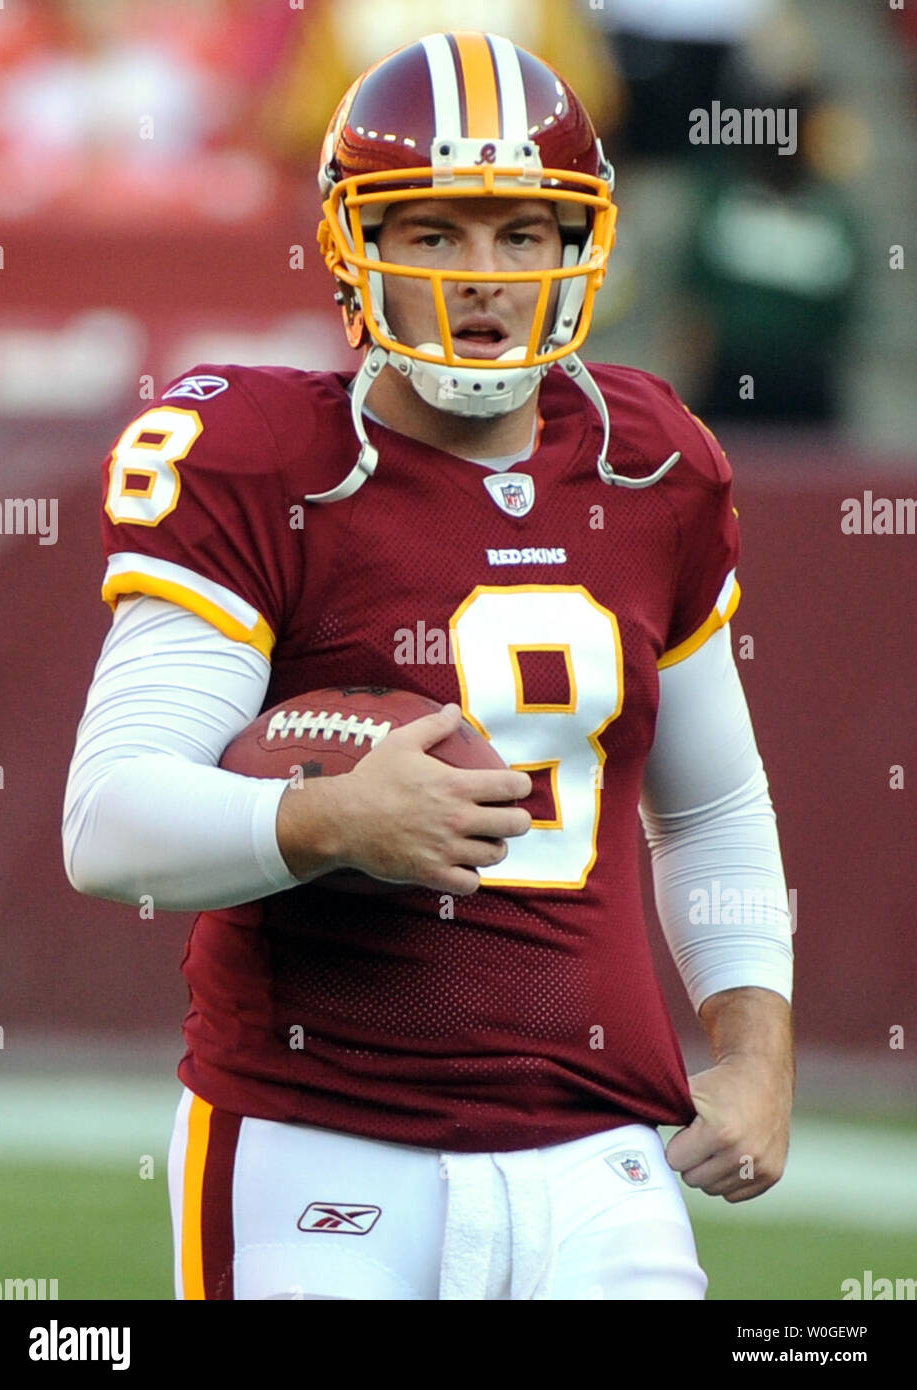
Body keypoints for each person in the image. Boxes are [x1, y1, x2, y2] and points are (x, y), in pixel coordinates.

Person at [62, 30, 794, 1301]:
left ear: (577, 249)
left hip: (601, 1161)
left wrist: (756, 1041)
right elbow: (106, 820)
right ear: (359, 246)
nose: (482, 278)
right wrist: (324, 819)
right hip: (317, 1145)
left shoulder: (651, 461)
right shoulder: (258, 457)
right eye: (435, 233)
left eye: (521, 234)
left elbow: (714, 804)